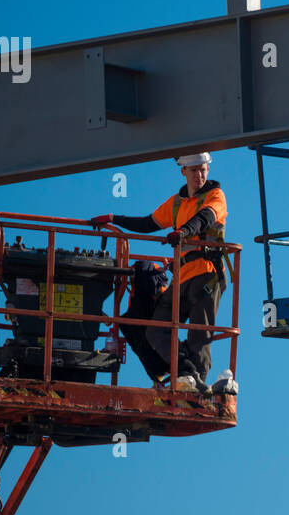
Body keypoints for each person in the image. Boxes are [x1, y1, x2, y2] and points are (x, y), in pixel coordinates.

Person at [91, 152, 227, 392]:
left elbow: (205, 218)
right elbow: (147, 223)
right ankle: (187, 374)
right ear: (183, 172)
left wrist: (183, 232)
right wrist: (114, 218)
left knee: (199, 336)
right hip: (183, 276)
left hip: (207, 274)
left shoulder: (215, 196)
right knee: (155, 331)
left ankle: (197, 385)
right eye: (194, 170)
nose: (200, 175)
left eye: (203, 169)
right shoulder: (176, 203)